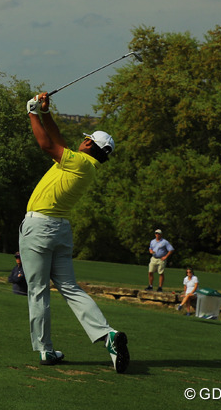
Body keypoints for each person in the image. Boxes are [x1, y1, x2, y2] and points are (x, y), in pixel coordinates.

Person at [19, 91, 129, 373]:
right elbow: (57, 141)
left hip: (39, 228)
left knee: (38, 292)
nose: (82, 140)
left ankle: (45, 351)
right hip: (60, 230)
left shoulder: (77, 162)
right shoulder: (83, 164)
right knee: (69, 287)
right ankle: (109, 337)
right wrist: (45, 112)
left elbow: (46, 145)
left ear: (90, 145)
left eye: (87, 138)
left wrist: (31, 113)